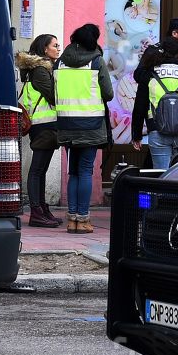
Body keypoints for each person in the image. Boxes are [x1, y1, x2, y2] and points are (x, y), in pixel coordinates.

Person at [54, 24, 113, 234]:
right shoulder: (96, 61)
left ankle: (71, 220)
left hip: (67, 125)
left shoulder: (60, 63)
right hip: (91, 125)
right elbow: (108, 94)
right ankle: (83, 219)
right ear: (93, 41)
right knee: (86, 171)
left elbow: (54, 94)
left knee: (74, 172)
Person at [130, 37, 178, 170]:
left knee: (161, 176)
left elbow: (139, 106)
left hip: (157, 132)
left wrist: (136, 135)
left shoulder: (150, 73)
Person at [16, 34, 63, 229]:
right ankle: (36, 212)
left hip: (44, 125)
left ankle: (42, 209)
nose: (58, 48)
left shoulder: (38, 69)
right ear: (45, 49)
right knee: (37, 170)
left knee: (40, 170)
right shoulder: (40, 71)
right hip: (44, 126)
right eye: (55, 45)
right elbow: (53, 96)